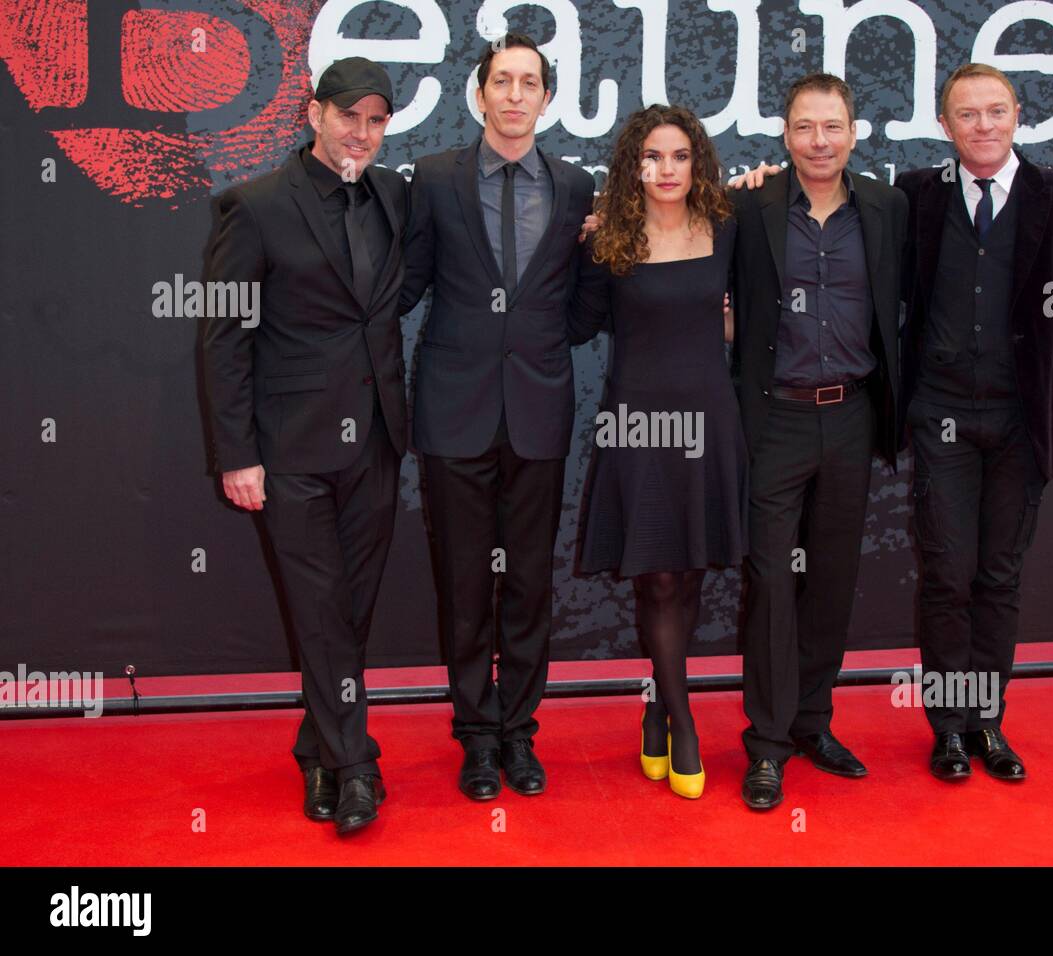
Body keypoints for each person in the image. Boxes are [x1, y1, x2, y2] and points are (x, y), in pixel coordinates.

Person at [201, 57, 408, 835]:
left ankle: (316, 747)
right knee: (321, 610)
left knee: (345, 612)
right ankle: (355, 767)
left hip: (378, 439)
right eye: (348, 115)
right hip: (289, 451)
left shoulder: (395, 196)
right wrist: (236, 453)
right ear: (311, 113)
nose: (362, 132)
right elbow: (223, 340)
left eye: (376, 120)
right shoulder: (252, 208)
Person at [895, 63, 1053, 781]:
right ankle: (948, 727)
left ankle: (987, 723)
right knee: (947, 574)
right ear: (944, 124)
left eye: (995, 111)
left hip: (1026, 420)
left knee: (997, 575)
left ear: (1018, 114)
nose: (982, 125)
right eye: (967, 114)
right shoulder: (914, 196)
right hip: (941, 415)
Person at [398, 34, 597, 801]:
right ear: (480, 94)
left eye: (530, 83)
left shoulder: (576, 188)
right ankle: (475, 737)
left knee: (529, 585)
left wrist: (540, 339)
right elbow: (409, 282)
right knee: (464, 585)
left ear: (547, 99)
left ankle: (520, 734)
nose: (515, 95)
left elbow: (584, 302)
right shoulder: (435, 178)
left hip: (540, 410)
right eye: (502, 82)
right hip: (453, 411)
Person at [728, 74, 908, 810]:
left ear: (855, 132)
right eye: (805, 127)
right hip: (775, 419)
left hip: (853, 415)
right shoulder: (750, 204)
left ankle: (813, 723)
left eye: (832, 126)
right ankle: (766, 745)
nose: (819, 141)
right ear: (785, 135)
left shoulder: (889, 209)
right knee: (770, 583)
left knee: (830, 579)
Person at [568, 104, 747, 800]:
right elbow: (580, 326)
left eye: (679, 156)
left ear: (696, 162)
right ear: (631, 166)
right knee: (660, 578)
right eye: (652, 157)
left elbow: (740, 321)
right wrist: (570, 248)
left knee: (693, 571)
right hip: (638, 428)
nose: (666, 169)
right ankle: (685, 723)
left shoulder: (728, 230)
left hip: (710, 420)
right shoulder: (608, 239)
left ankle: (654, 708)